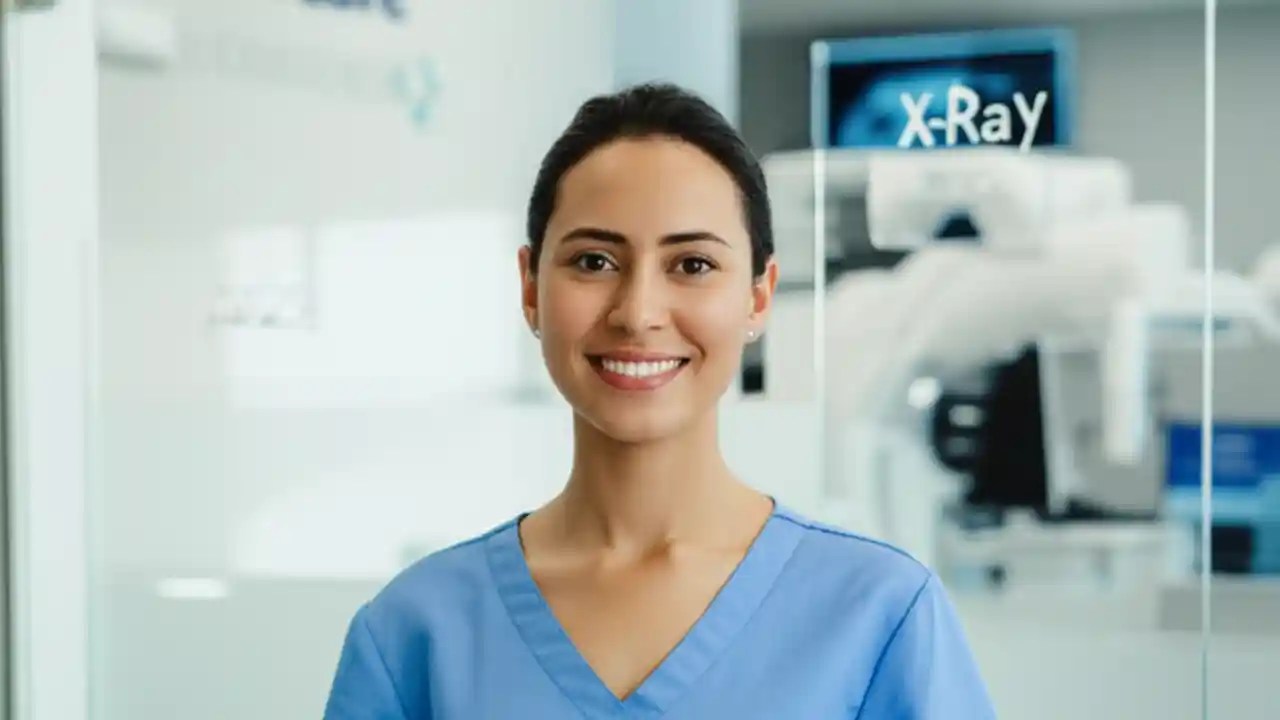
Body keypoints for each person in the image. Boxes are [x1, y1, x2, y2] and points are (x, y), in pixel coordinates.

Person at [323, 82, 995, 719]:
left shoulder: (880, 616)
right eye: (594, 261)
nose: (639, 312)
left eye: (692, 265)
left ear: (758, 296)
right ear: (530, 288)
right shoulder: (414, 636)